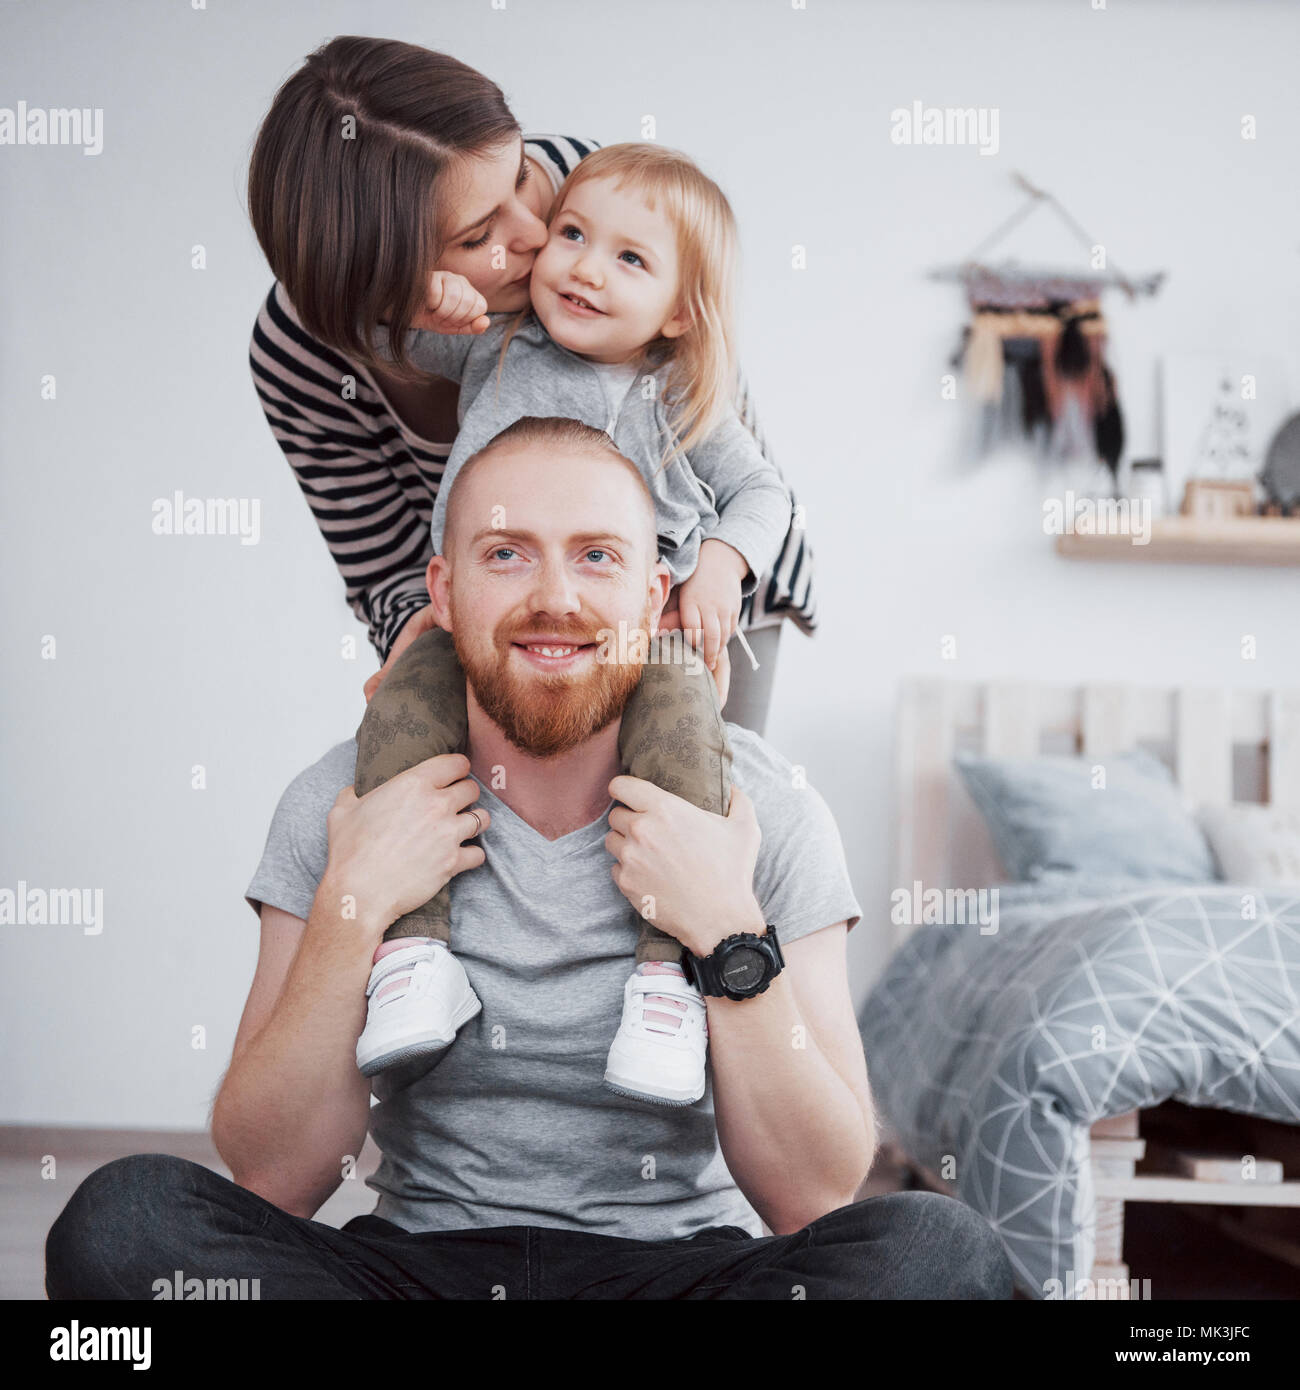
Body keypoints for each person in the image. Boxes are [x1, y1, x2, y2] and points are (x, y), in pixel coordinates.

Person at [45, 418, 1014, 1300]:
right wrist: (354, 903)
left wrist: (725, 929)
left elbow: (812, 1193)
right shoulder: (341, 805)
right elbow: (274, 1176)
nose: (555, 598)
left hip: (683, 1278)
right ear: (445, 589)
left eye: (596, 557)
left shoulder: (766, 813)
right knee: (125, 1222)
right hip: (414, 1273)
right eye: (506, 554)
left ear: (652, 592)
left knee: (939, 1253)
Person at [352, 144, 792, 1106]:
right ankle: (413, 954)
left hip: (642, 634)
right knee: (399, 717)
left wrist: (720, 562)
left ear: (679, 310)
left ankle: (667, 977)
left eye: (631, 259)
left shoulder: (675, 393)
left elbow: (762, 491)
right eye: (574, 236)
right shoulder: (497, 345)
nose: (586, 267)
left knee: (684, 742)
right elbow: (384, 335)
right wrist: (430, 293)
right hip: (481, 625)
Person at [246, 35, 816, 732]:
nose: (541, 236)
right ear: (385, 281)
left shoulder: (598, 197)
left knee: (691, 777)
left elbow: (728, 454)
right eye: (478, 233)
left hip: (694, 596)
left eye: (518, 177)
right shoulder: (309, 352)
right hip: (509, 623)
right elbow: (381, 565)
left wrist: (711, 576)